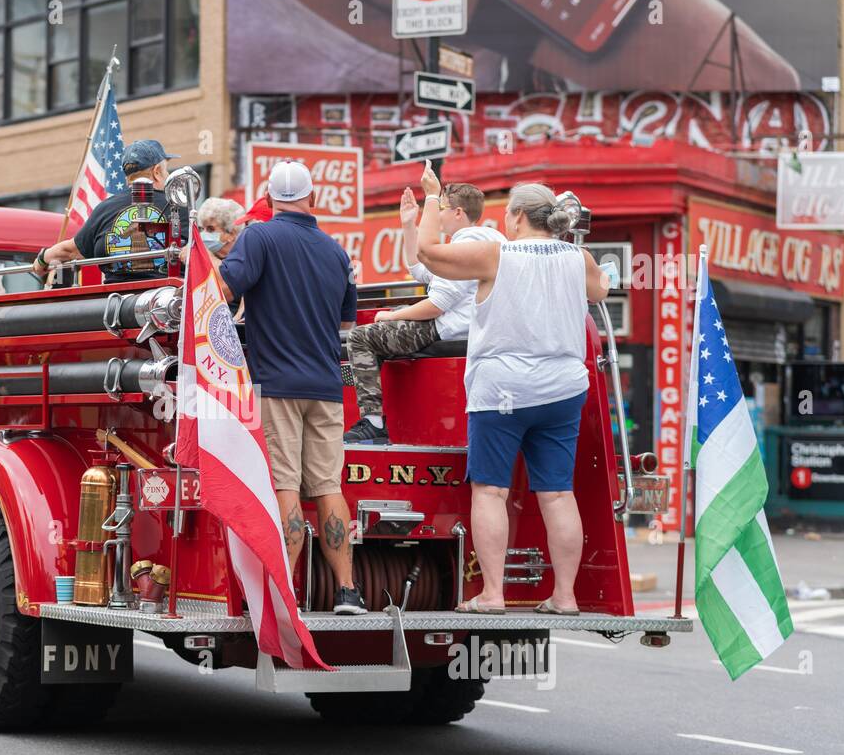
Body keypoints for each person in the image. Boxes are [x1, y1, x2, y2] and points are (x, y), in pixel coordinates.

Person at [415, 168, 609, 615]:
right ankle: (564, 596)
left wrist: (430, 198)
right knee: (558, 493)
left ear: (518, 216)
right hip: (563, 389)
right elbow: (601, 288)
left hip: (502, 389)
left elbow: (428, 252)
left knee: (490, 491)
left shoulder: (494, 255)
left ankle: (493, 594)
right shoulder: (576, 258)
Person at [218, 159, 366, 614]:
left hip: (277, 384)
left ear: (267, 200)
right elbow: (346, 321)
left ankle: (285, 594)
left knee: (284, 485)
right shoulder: (335, 251)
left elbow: (223, 289)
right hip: (325, 385)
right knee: (327, 485)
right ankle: (347, 592)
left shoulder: (259, 235)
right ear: (313, 198)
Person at [344, 183, 504, 444]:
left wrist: (393, 316)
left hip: (450, 328)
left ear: (458, 213)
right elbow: (421, 270)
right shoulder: (492, 239)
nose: (438, 214)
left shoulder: (464, 244)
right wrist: (409, 225)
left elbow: (437, 303)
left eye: (441, 208)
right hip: (474, 327)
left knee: (360, 337)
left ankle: (373, 423)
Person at [32, 139, 190, 284]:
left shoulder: (104, 209)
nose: (168, 175)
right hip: (168, 304)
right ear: (156, 171)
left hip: (114, 305)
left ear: (129, 177)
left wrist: (43, 258)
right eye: (166, 170)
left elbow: (69, 250)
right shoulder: (179, 206)